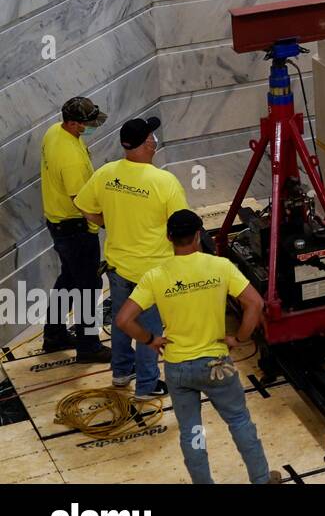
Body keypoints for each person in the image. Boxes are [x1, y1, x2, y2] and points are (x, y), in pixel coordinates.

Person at [116, 209, 279, 484]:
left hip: (178, 367)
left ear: (169, 237)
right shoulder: (220, 267)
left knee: (192, 433)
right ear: (197, 236)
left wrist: (150, 340)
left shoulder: (155, 276)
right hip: (216, 365)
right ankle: (262, 480)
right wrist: (238, 338)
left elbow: (123, 319)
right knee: (239, 421)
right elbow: (255, 303)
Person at [75, 117, 188, 399]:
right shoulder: (164, 181)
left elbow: (85, 207)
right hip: (151, 272)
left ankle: (122, 372)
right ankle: (148, 386)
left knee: (122, 322)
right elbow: (183, 227)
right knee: (148, 329)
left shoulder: (106, 174)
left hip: (118, 267)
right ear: (149, 143)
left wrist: (109, 223)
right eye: (151, 135)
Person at [39, 97, 112, 362]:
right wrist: (104, 225)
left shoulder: (54, 132)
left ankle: (55, 335)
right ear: (72, 123)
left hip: (58, 223)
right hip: (76, 228)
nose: (91, 128)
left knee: (68, 279)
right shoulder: (70, 159)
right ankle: (89, 346)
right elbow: (80, 202)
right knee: (89, 286)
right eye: (87, 124)